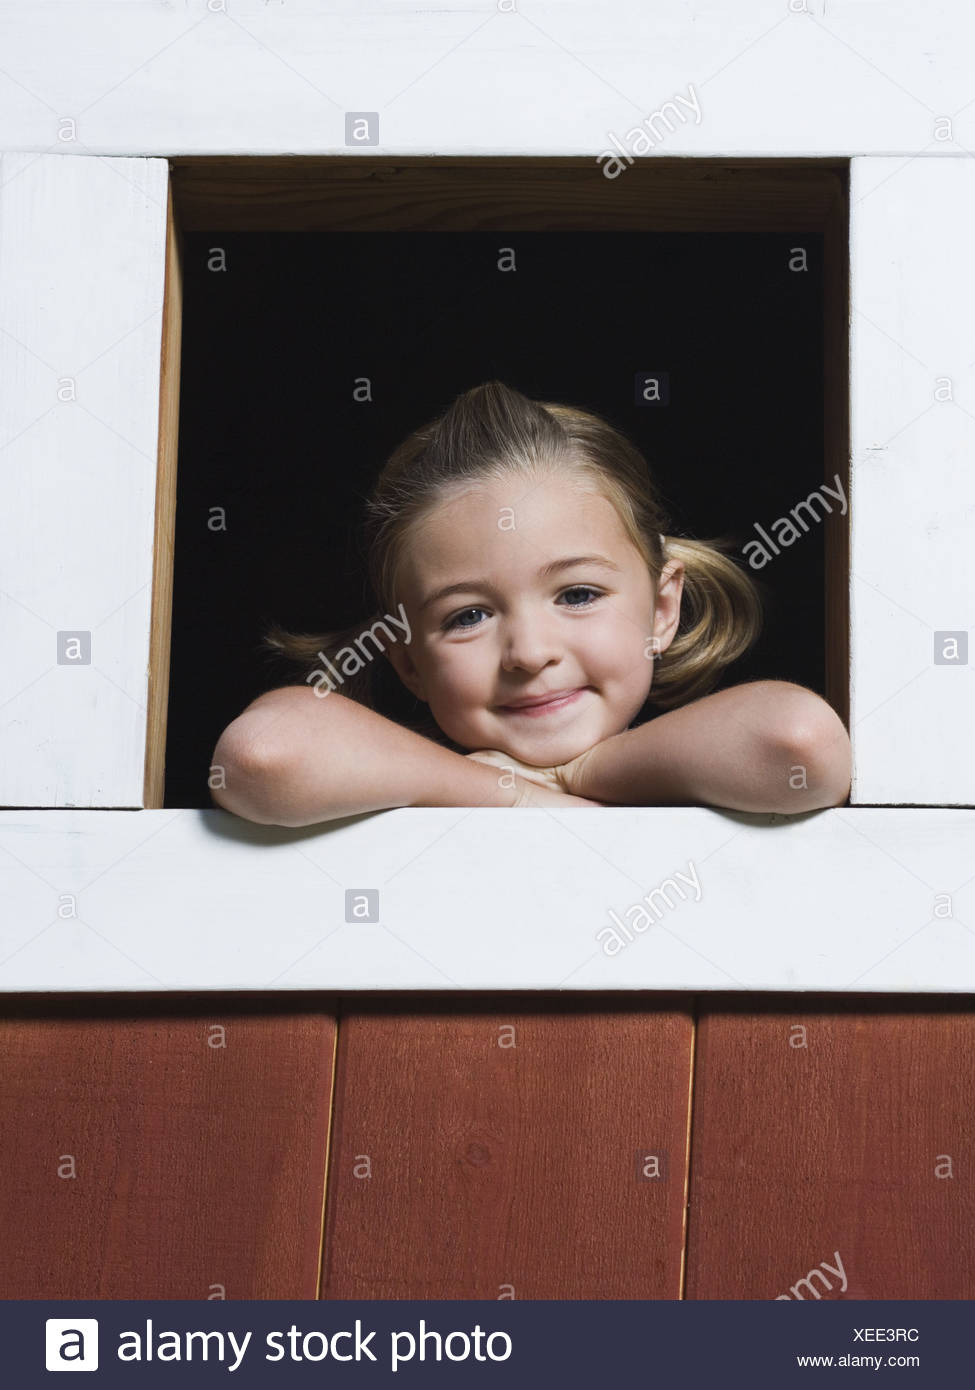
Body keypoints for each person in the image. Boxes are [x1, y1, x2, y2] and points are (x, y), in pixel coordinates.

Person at [211, 381, 851, 826]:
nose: (529, 653)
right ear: (407, 662)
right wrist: (503, 795)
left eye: (577, 594)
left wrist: (585, 772)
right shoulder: (385, 776)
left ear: (661, 610)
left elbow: (801, 746)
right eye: (468, 616)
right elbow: (261, 755)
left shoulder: (709, 759)